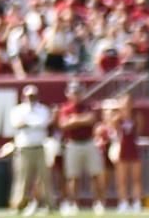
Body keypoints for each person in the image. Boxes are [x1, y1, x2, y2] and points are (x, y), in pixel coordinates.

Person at [56, 81, 100, 215]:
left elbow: (91, 119)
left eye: (79, 92)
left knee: (95, 174)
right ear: (68, 94)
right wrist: (80, 120)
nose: (77, 95)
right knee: (73, 176)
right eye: (74, 92)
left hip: (89, 142)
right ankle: (74, 203)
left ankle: (97, 203)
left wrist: (74, 120)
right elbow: (63, 124)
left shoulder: (88, 106)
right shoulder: (65, 108)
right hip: (73, 143)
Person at [8, 84, 52, 215]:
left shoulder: (43, 109)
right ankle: (18, 205)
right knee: (22, 178)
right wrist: (32, 124)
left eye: (33, 95)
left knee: (44, 178)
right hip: (24, 148)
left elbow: (43, 122)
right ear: (24, 96)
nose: (31, 98)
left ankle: (49, 204)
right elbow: (17, 124)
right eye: (29, 96)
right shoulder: (18, 110)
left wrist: (28, 123)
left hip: (40, 147)